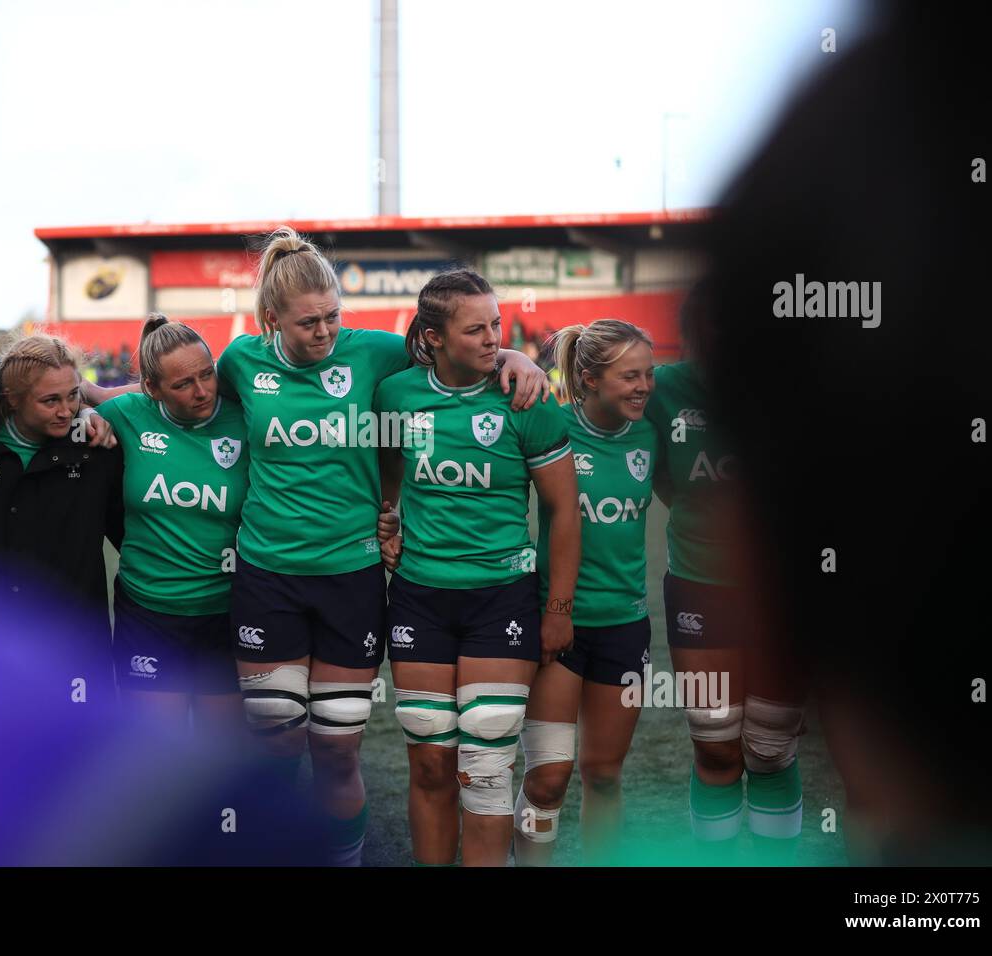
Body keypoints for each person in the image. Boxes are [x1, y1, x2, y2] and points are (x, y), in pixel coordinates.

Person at [211, 228, 551, 865]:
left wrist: (514, 356)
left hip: (353, 577)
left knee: (337, 747)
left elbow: (454, 355)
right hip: (267, 577)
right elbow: (183, 400)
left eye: (333, 316)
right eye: (308, 322)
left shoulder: (374, 353)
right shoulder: (239, 362)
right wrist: (95, 403)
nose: (324, 332)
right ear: (271, 318)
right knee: (275, 746)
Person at [377, 269, 579, 867]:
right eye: (476, 329)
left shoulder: (527, 397)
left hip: (502, 599)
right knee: (430, 761)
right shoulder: (395, 396)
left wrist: (557, 609)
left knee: (487, 766)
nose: (494, 338)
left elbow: (564, 510)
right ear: (434, 337)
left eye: (497, 324)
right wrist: (387, 519)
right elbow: (387, 473)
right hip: (418, 597)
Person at [643, 285, 805, 859]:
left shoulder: (797, 387)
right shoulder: (664, 390)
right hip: (699, 586)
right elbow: (598, 408)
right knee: (715, 743)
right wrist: (512, 358)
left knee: (770, 746)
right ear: (693, 335)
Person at [512, 319, 658, 865]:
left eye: (648, 374)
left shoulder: (652, 431)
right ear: (590, 379)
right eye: (630, 376)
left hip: (626, 626)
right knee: (547, 779)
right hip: (559, 625)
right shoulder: (552, 426)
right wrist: (512, 356)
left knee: (603, 775)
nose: (643, 387)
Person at [94, 315, 248, 727]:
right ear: (151, 388)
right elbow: (69, 397)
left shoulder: (246, 417)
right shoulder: (127, 413)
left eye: (207, 374)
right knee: (158, 752)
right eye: (182, 384)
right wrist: (86, 417)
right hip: (148, 611)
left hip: (226, 611)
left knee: (223, 755)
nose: (202, 391)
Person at [0, 332, 124, 635]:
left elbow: (128, 536)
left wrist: (89, 406)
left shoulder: (97, 448)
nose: (66, 411)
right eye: (50, 400)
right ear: (12, 398)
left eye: (73, 395)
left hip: (75, 641)